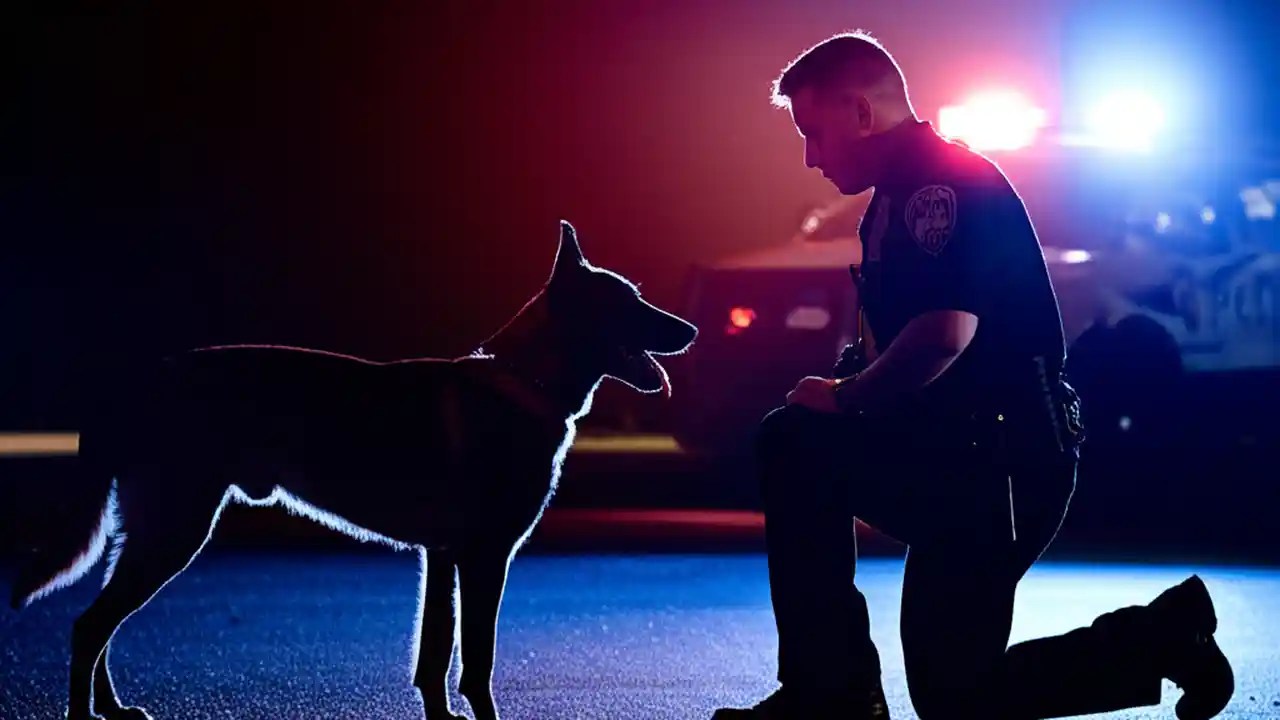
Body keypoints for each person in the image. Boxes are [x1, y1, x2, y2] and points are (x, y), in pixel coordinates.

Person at [712, 31, 1234, 720]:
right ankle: (829, 693)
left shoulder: (943, 187)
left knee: (957, 698)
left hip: (1001, 467)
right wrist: (848, 390)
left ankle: (1166, 638)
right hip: (952, 458)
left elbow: (942, 335)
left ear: (862, 113)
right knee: (794, 441)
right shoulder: (893, 199)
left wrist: (846, 398)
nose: (810, 157)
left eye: (815, 132)